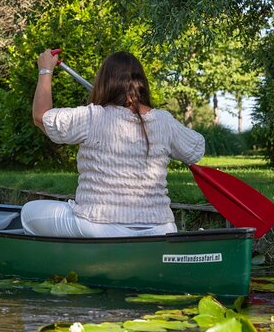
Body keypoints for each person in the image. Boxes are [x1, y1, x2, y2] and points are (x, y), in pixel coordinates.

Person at [21, 49, 205, 237]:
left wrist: (45, 70)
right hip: (160, 229)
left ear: (104, 82)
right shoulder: (164, 121)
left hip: (100, 227)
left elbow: (40, 116)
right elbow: (197, 149)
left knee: (28, 212)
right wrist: (163, 127)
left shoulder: (92, 116)